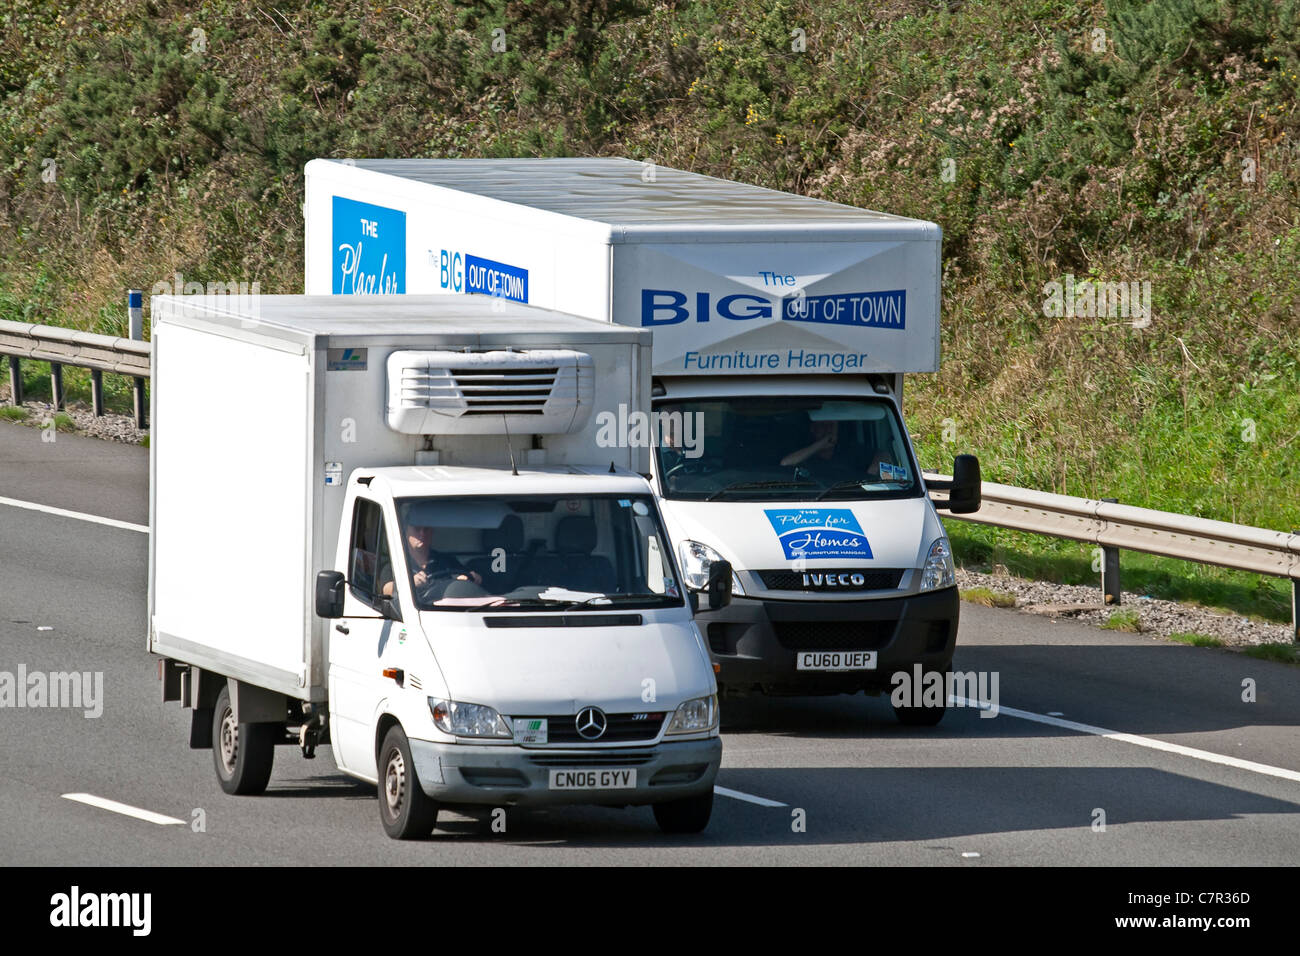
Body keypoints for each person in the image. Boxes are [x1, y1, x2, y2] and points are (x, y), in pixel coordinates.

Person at [382, 523, 482, 598]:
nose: (422, 533)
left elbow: (468, 576)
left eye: (426, 529)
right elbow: (386, 590)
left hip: (449, 612)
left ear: (432, 532)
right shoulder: (397, 562)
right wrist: (410, 583)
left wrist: (472, 578)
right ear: (406, 532)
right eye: (417, 529)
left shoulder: (447, 560)